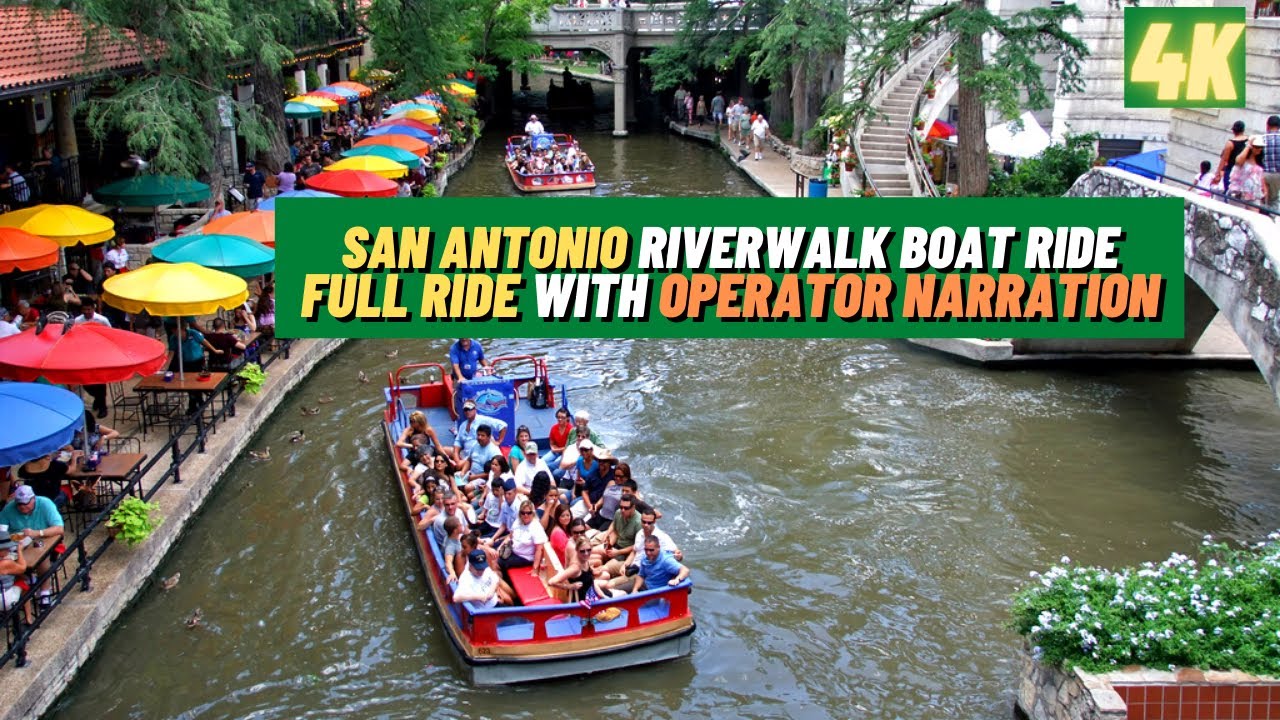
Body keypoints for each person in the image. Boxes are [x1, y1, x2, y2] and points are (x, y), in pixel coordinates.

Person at [0, 485, 65, 611]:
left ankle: (45, 591)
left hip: (44, 540)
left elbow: (59, 529)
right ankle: (28, 581)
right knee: (9, 558)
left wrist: (37, 533)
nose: (22, 506)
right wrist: (10, 538)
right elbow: (1, 530)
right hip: (17, 543)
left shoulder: (45, 504)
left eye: (25, 503)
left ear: (33, 499)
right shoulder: (9, 509)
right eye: (19, 504)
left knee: (41, 557)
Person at [498, 500, 547, 573]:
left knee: (498, 562)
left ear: (533, 513)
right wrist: (499, 548)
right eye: (523, 513)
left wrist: (535, 568)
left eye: (528, 513)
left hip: (525, 557)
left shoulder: (536, 527)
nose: (525, 515)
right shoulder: (517, 521)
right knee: (492, 555)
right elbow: (510, 537)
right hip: (512, 551)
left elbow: (539, 550)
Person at [0, 528, 32, 625]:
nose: (9, 549)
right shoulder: (5, 563)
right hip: (4, 601)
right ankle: (29, 618)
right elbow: (22, 568)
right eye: (7, 548)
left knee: (18, 578)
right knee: (25, 583)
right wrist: (20, 551)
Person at [1213, 120, 1250, 196]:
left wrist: (1218, 173)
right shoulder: (1249, 141)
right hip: (1245, 171)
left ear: (1233, 131)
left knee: (1228, 193)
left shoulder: (1230, 143)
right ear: (1243, 130)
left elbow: (1224, 160)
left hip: (1231, 171)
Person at [1262, 115, 1280, 214]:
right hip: (1278, 175)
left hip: (1263, 174)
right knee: (1274, 199)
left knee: (1262, 198)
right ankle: (1272, 219)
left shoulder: (1262, 139)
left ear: (1267, 125)